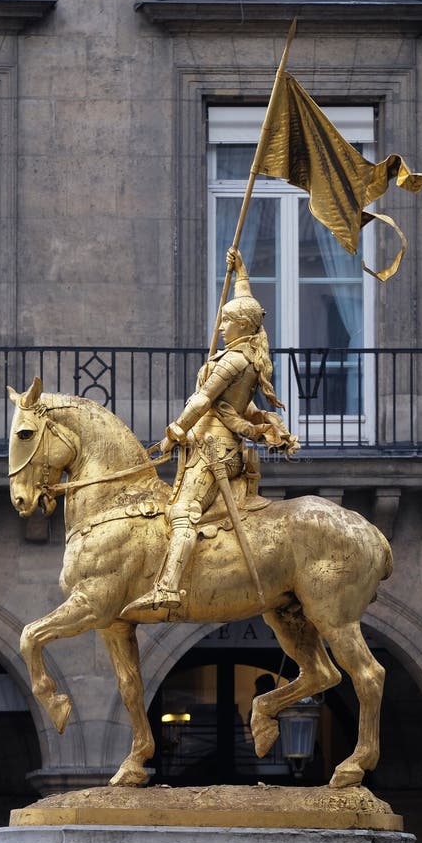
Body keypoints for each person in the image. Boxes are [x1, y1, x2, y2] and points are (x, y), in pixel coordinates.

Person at [125, 248, 298, 613]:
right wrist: (241, 272)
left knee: (184, 512)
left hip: (214, 450)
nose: (220, 327)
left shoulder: (234, 360)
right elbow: (237, 406)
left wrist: (176, 427)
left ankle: (169, 587)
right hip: (206, 442)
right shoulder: (243, 355)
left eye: (225, 322)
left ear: (240, 326)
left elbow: (203, 400)